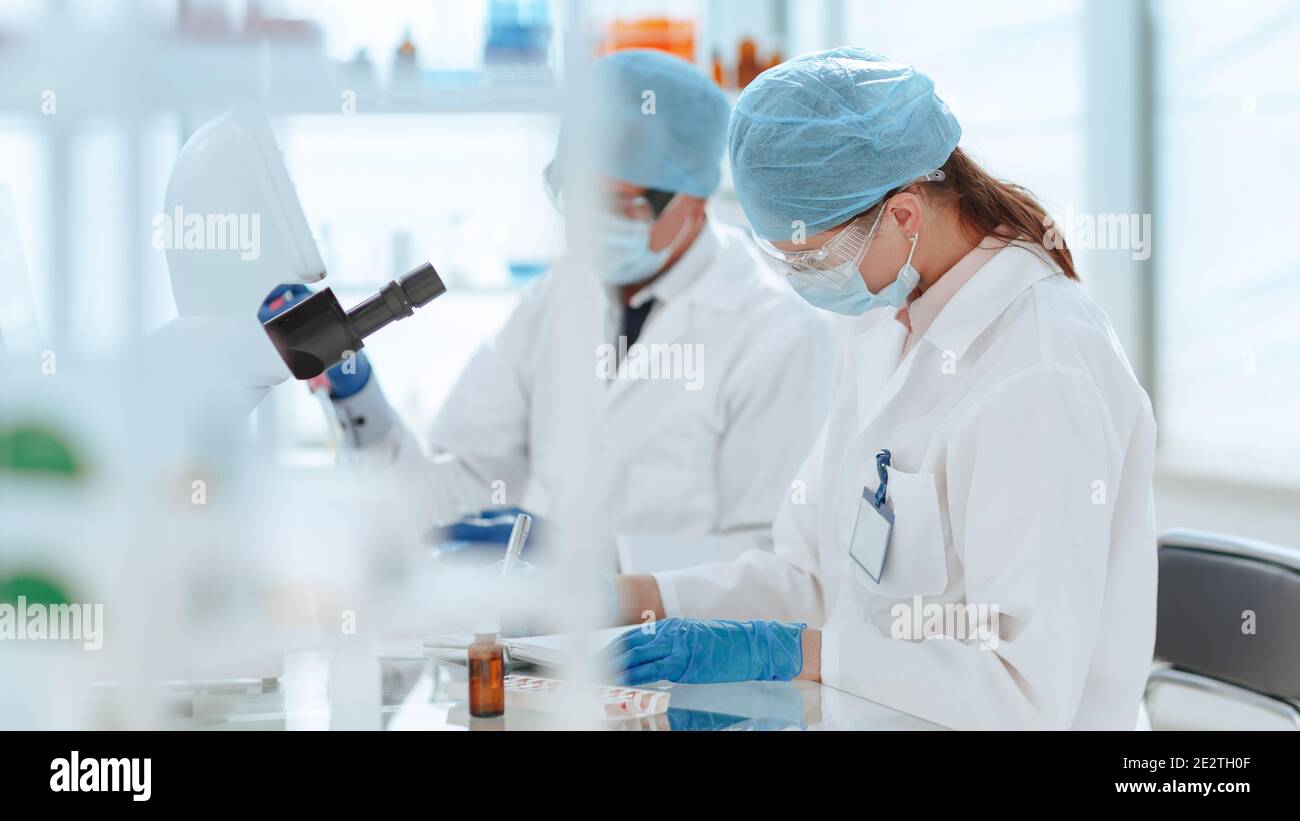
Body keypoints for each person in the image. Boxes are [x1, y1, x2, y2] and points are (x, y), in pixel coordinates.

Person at [604, 47, 1158, 731]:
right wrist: (642, 595)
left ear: (902, 215)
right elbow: (813, 577)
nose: (800, 281)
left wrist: (799, 653)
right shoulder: (883, 323)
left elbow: (1021, 695)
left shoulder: (1040, 367)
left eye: (814, 258)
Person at [267, 49, 834, 578]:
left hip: (689, 677)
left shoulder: (778, 332)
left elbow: (774, 568)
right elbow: (456, 486)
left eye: (615, 204)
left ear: (693, 198)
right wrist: (359, 399)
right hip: (543, 659)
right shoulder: (559, 296)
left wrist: (595, 559)